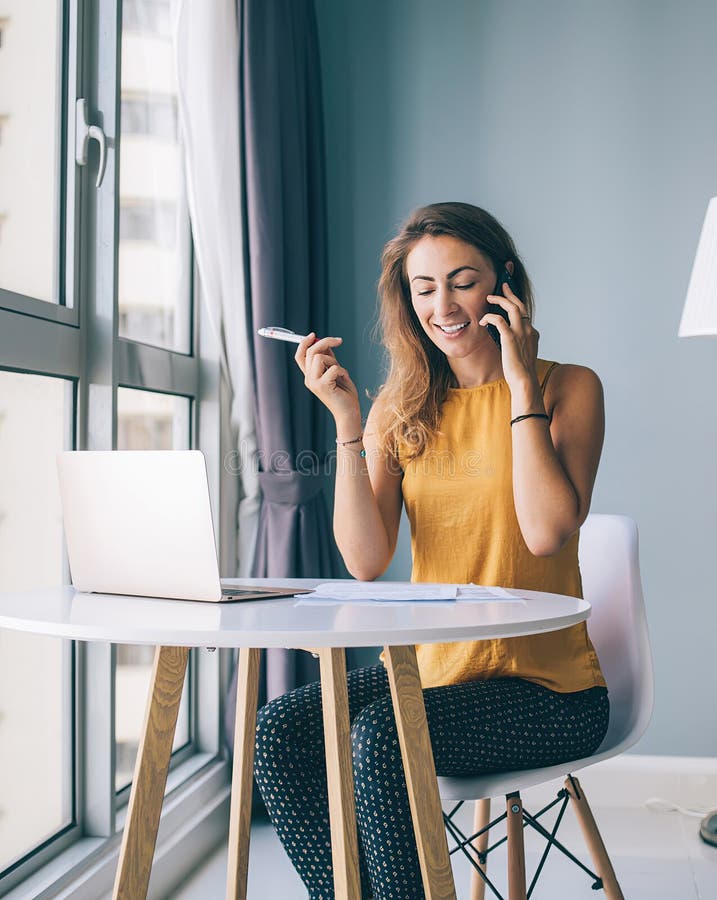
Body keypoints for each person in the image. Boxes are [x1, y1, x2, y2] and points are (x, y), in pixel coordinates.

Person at [253, 202, 609, 899]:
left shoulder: (567, 387)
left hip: (548, 691)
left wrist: (518, 380)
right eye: (424, 288)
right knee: (281, 732)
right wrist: (349, 420)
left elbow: (546, 531)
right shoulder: (401, 405)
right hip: (435, 676)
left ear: (504, 284)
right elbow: (364, 560)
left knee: (385, 736)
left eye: (462, 282)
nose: (442, 306)